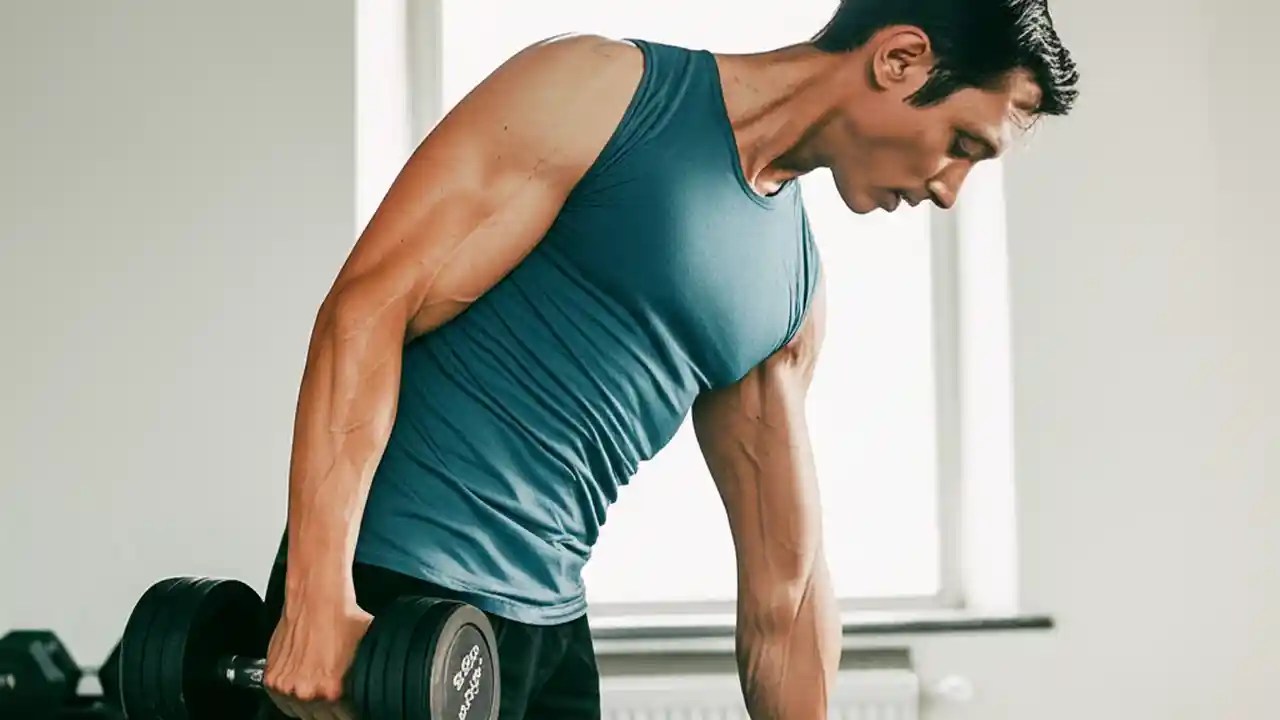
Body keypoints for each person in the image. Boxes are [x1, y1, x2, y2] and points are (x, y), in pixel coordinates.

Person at [260, 0, 1079, 718]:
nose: (949, 188)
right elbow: (369, 309)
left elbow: (784, 590)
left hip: (548, 633)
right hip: (395, 597)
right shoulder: (602, 91)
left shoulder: (790, 291)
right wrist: (316, 599)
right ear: (900, 59)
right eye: (962, 143)